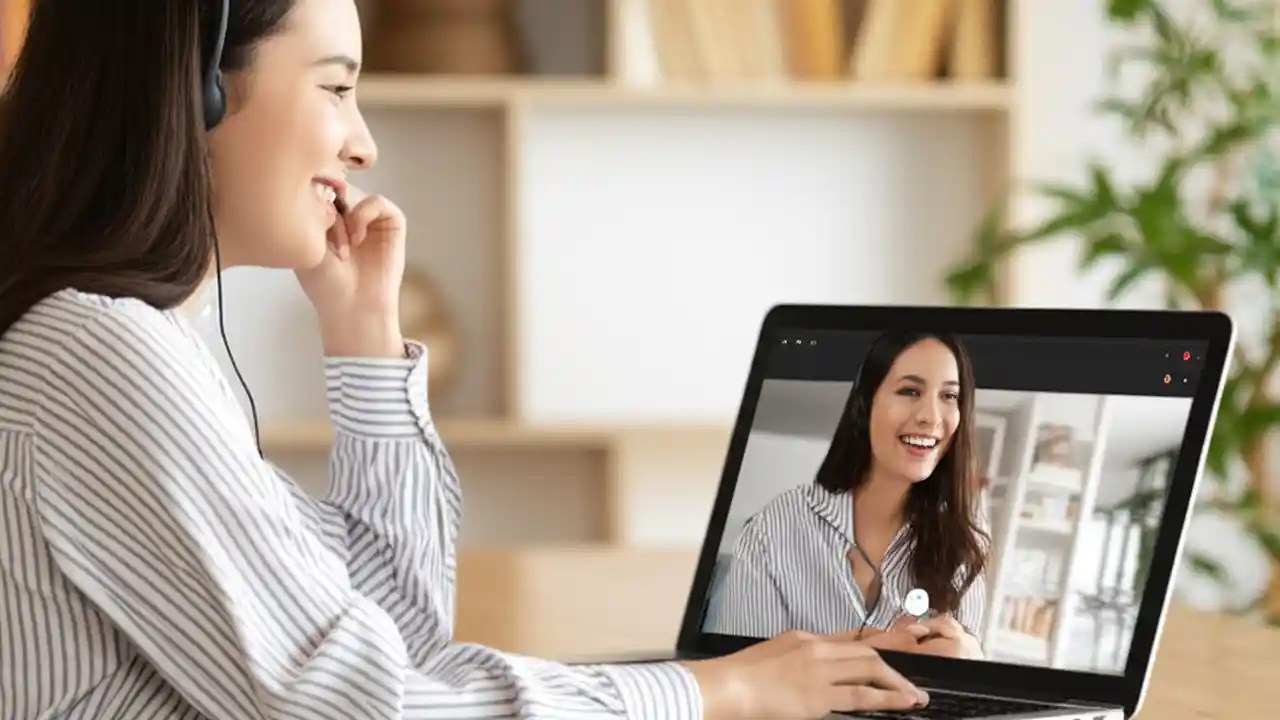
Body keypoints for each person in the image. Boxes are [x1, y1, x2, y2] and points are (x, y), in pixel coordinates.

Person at [0, 1, 932, 718]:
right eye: (335, 87)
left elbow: (398, 640)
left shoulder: (135, 346)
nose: (363, 142)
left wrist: (363, 335)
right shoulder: (95, 353)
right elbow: (360, 703)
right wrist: (714, 694)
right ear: (196, 89)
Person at [706, 332, 991, 660]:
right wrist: (858, 653)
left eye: (949, 396)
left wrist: (971, 663)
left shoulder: (963, 546)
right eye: (910, 391)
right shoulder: (774, 530)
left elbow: (954, 691)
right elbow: (744, 681)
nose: (931, 416)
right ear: (867, 402)